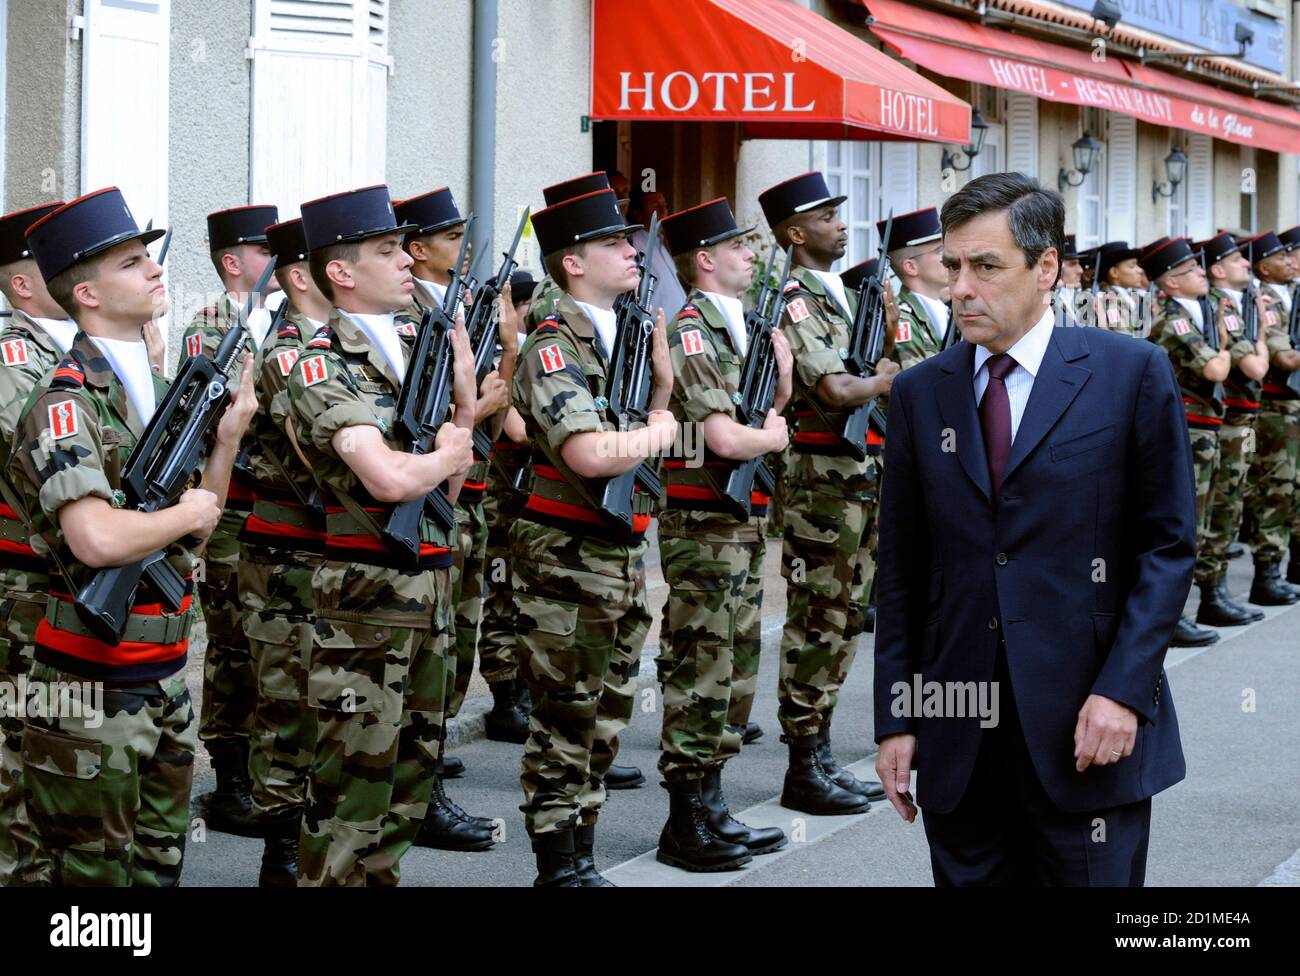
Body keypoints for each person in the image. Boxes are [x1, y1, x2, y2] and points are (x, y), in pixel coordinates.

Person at [874, 172, 1193, 886]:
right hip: (959, 737)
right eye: (952, 265)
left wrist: (1122, 692)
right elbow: (902, 570)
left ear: (1046, 267)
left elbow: (1167, 552)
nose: (960, 287)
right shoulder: (922, 393)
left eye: (986, 267)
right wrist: (897, 716)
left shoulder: (1130, 374)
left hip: (1089, 734)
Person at [11, 187, 257, 885]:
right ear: (85, 293)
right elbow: (93, 539)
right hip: (92, 685)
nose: (154, 271)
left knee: (156, 870)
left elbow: (184, 544)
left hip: (161, 672)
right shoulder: (65, 401)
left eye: (148, 257)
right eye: (130, 262)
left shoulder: (150, 388)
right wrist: (186, 515)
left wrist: (227, 440)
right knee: (92, 889)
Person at [286, 184, 477, 885]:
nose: (406, 262)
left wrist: (460, 402)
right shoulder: (321, 361)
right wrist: (446, 453)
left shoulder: (408, 353)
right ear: (341, 272)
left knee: (407, 784)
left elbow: (442, 493)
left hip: (428, 589)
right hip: (364, 605)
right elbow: (388, 480)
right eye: (387, 251)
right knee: (349, 796)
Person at [511, 186, 675, 885]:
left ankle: (582, 854)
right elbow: (586, 452)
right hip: (566, 560)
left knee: (606, 715)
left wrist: (662, 390)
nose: (632, 251)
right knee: (565, 719)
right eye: (615, 243)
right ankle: (558, 867)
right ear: (572, 263)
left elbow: (632, 444)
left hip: (620, 552)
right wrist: (661, 428)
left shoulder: (620, 336)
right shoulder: (552, 347)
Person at [653, 197, 793, 871]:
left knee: (733, 667)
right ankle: (685, 822)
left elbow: (762, 408)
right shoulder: (693, 329)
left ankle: (712, 804)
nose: (751, 254)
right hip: (702, 521)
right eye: (739, 245)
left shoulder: (739, 325)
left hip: (737, 521)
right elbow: (725, 437)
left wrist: (782, 384)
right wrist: (775, 433)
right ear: (705, 259)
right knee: (700, 667)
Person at [758, 171, 895, 815]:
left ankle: (818, 756)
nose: (843, 224)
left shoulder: (837, 295)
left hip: (857, 478)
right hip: (820, 483)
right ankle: (802, 763)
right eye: (827, 216)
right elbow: (836, 389)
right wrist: (886, 377)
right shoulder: (794, 300)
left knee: (843, 620)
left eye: (840, 214)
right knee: (818, 619)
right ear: (795, 233)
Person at [395, 188, 523, 797]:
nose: (463, 248)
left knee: (459, 634)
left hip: (468, 496)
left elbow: (502, 415)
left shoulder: (461, 306)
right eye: (451, 238)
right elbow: (411, 418)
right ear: (416, 250)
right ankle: (417, 777)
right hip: (427, 497)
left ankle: (434, 753)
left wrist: (509, 346)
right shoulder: (405, 318)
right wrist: (476, 405)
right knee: (429, 642)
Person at [234, 216, 330, 885]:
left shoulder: (345, 346)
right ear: (302, 277)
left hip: (335, 553)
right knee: (287, 706)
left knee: (328, 701)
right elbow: (321, 453)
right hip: (286, 554)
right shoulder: (289, 350)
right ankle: (281, 849)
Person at [184, 204, 282, 836]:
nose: (277, 264)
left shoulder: (284, 321)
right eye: (263, 251)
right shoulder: (211, 325)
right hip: (228, 509)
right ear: (233, 261)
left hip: (269, 514)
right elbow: (211, 412)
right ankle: (230, 780)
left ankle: (262, 767)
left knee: (262, 641)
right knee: (231, 645)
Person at [0, 201, 70, 884]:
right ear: (24, 284)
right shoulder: (16, 358)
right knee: (19, 749)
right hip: (23, 586)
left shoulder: (88, 357)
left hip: (67, 583)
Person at [1138, 237, 1242, 644]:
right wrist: (1224, 344)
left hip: (1207, 426)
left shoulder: (1193, 312)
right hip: (1187, 426)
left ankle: (1212, 596)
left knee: (1215, 513)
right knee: (1185, 523)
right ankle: (1173, 616)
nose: (1203, 273)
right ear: (1172, 282)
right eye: (1192, 270)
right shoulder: (1173, 318)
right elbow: (1216, 370)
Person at [1194, 233, 1271, 620]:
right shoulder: (1219, 307)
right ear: (1218, 268)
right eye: (1237, 259)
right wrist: (1259, 339)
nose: (1246, 263)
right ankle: (1209, 594)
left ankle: (1216, 591)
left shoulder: (1235, 305)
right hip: (1226, 421)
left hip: (1242, 418)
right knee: (1216, 507)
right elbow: (1257, 367)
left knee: (1231, 504)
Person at [1241, 232, 1300, 604]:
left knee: (1294, 488)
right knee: (1276, 488)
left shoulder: (1289, 293)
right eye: (1284, 258)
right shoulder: (1264, 300)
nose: (1291, 263)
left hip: (1293, 406)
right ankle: (1267, 571)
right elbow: (1285, 359)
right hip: (1277, 408)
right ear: (1265, 267)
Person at [882, 207, 950, 371]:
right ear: (911, 267)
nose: (949, 257)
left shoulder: (948, 310)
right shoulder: (902, 319)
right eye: (940, 251)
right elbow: (920, 386)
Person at [628, 187, 686, 318]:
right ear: (638, 214)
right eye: (655, 205)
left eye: (664, 205)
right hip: (654, 330)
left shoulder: (660, 242)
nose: (663, 210)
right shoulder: (634, 247)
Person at [1093, 241, 1144, 336]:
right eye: (1132, 266)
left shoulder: (1135, 297)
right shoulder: (1104, 299)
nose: (1140, 270)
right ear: (1114, 273)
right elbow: (1122, 334)